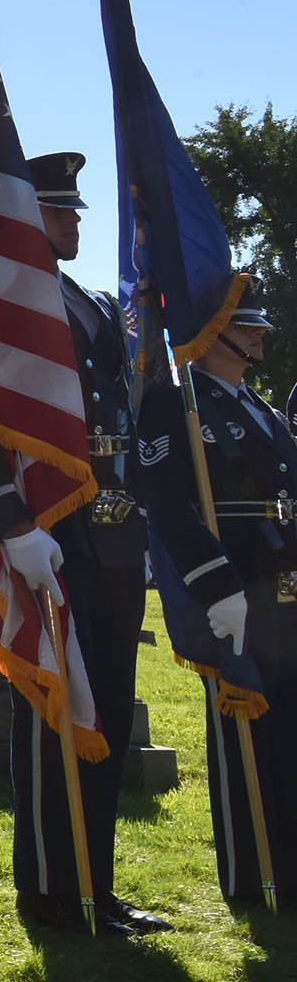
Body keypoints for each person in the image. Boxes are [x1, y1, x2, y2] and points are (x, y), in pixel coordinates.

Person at [0, 153, 169, 935]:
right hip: (45, 534)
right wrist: (13, 525)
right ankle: (53, 893)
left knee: (108, 716)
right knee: (51, 709)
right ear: (22, 220)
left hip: (112, 537)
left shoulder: (94, 306)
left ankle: (97, 886)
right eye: (58, 211)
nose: (72, 223)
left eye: (73, 211)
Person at [125, 282, 287, 907]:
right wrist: (214, 583)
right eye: (244, 327)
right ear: (210, 334)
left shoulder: (261, 409)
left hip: (282, 585)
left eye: (258, 327)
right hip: (235, 584)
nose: (258, 335)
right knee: (246, 727)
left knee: (289, 728)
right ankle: (255, 876)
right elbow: (167, 503)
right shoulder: (177, 407)